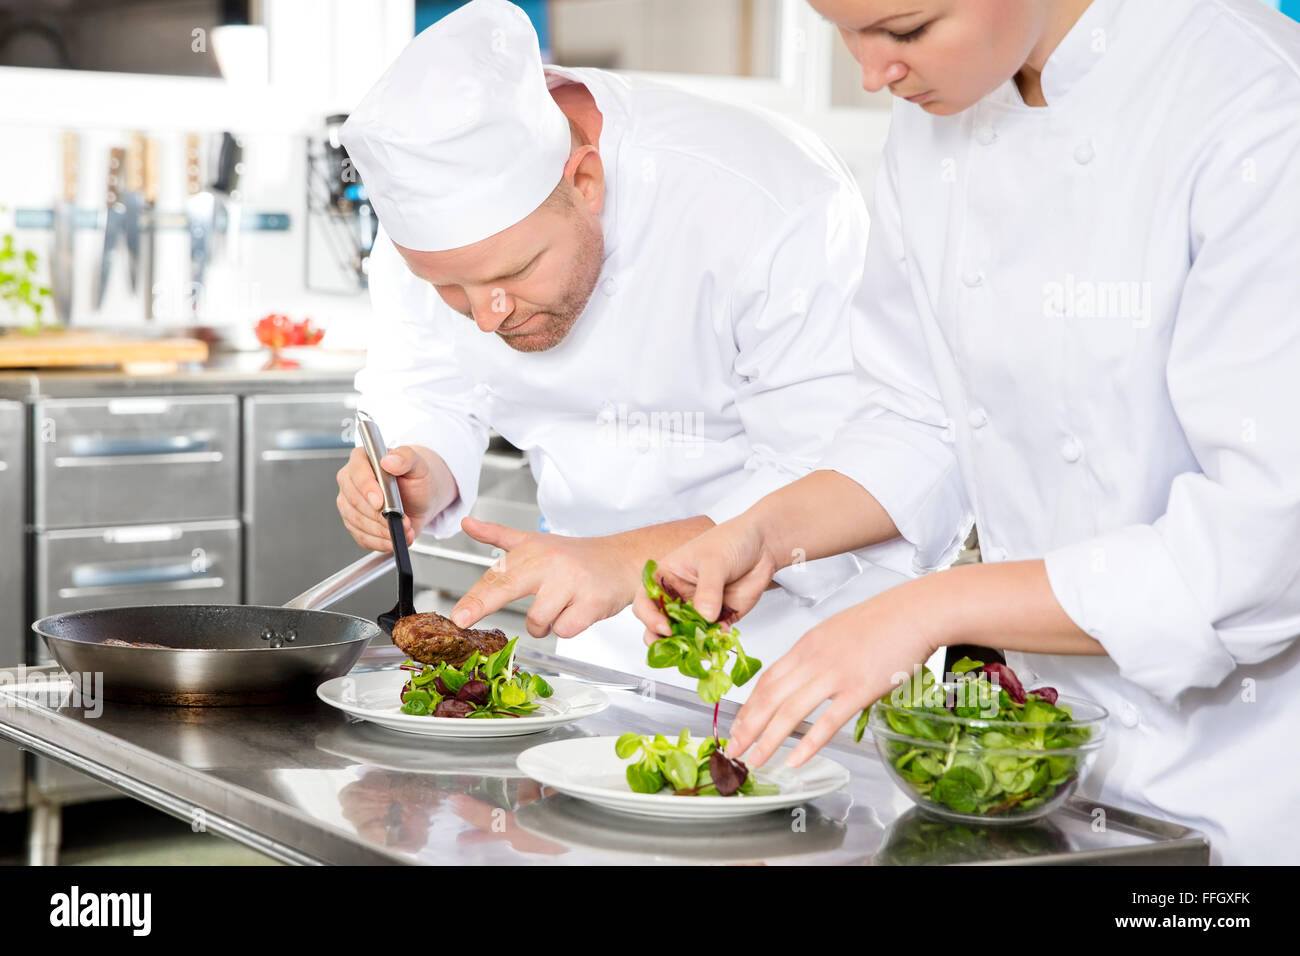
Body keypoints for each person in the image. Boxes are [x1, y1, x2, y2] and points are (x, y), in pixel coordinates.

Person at [634, 0, 1300, 864]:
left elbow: (1260, 545)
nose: (873, 74)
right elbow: (922, 418)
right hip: (1040, 766)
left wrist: (925, 611)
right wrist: (763, 533)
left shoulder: (1255, 105)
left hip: (1247, 786)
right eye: (844, 31)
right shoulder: (940, 120)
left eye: (904, 31)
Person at [333, 0, 911, 696]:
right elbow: (428, 383)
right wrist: (421, 465)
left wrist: (628, 559)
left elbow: (847, 469)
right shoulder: (432, 216)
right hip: (594, 649)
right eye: (450, 290)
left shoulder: (768, 199)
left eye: (513, 275)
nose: (485, 317)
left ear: (585, 183)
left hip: (810, 652)